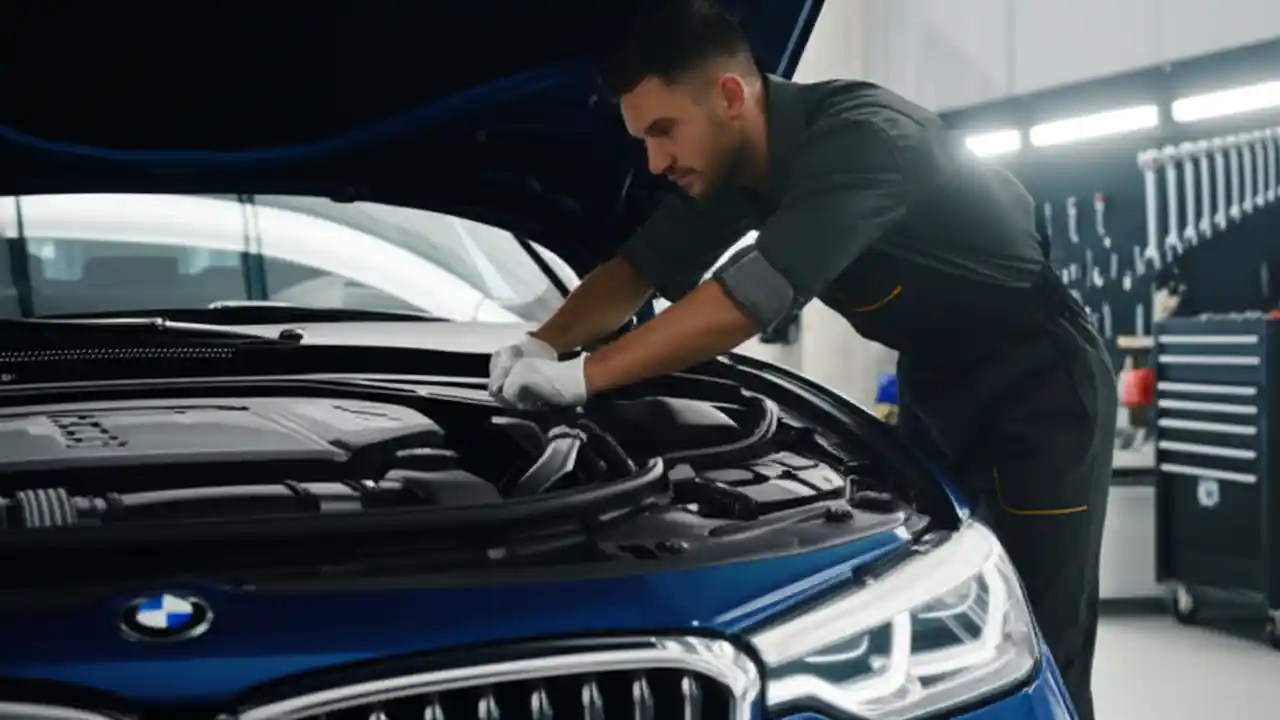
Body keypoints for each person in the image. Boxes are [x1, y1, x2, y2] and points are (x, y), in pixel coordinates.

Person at [488, 1, 1115, 716]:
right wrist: (543, 340)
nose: (654, 162)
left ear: (729, 96)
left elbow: (749, 298)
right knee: (942, 609)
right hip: (939, 381)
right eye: (642, 140)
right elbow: (639, 267)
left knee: (1037, 627)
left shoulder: (866, 141)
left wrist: (582, 376)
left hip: (1041, 388)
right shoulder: (736, 168)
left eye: (663, 131)